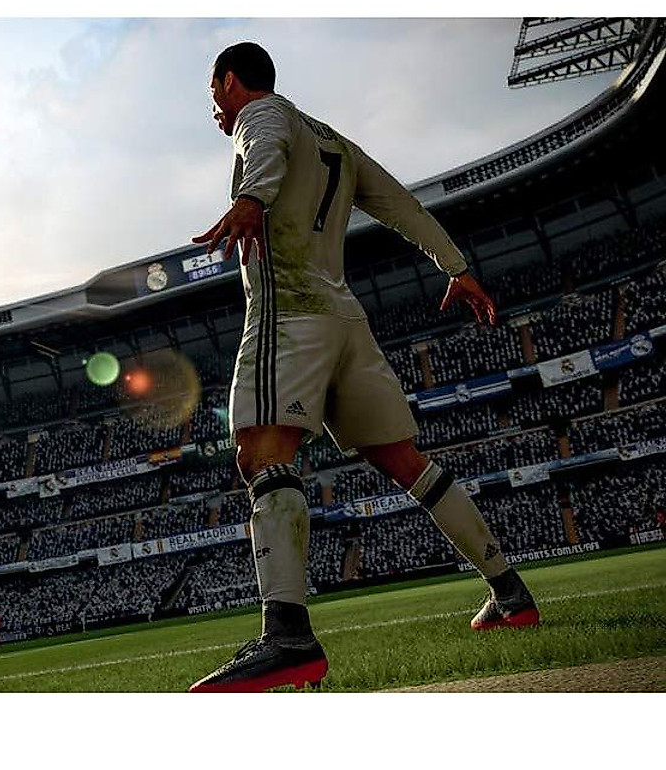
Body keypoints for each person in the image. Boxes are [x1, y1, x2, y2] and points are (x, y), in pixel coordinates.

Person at [188, 42, 539, 693]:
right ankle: (509, 591)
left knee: (261, 452)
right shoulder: (333, 141)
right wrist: (456, 266)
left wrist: (253, 198)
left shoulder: (259, 117)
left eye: (213, 92)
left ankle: (287, 637)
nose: (214, 107)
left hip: (290, 310)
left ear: (230, 81)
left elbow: (264, 149)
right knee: (406, 462)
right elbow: (400, 205)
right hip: (345, 320)